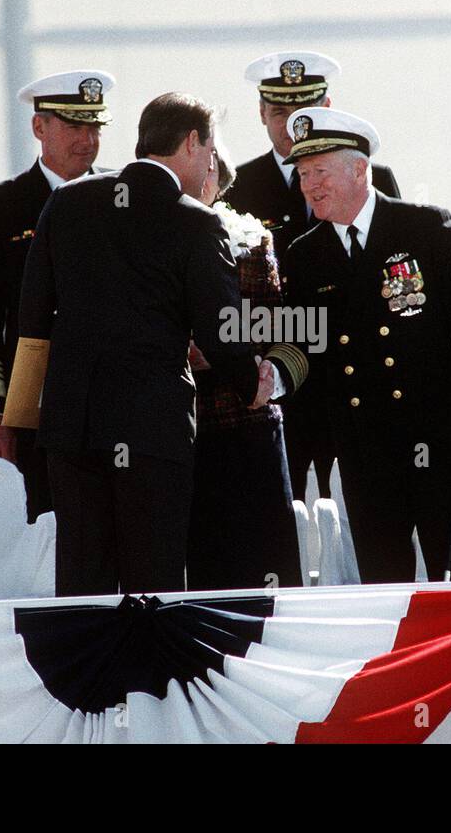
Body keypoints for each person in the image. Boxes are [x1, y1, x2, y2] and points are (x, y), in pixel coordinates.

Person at [17, 92, 274, 596]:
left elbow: (32, 321)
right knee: (151, 580)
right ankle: (150, 676)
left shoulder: (67, 202)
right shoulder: (196, 223)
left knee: (83, 581)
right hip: (150, 431)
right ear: (192, 142)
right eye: (210, 149)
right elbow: (222, 332)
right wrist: (252, 384)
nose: (212, 164)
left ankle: (85, 675)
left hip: (72, 429)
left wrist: (24, 416)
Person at [275, 107, 451, 583]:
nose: (309, 185)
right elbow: (301, 342)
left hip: (440, 438)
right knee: (385, 583)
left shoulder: (425, 227)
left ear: (359, 168)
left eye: (320, 171)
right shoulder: (305, 254)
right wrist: (275, 374)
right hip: (365, 448)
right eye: (302, 174)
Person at [224, 50, 402, 506]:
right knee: (285, 510)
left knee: (367, 507)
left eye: (302, 112)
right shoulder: (237, 187)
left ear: (325, 109)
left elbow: (391, 279)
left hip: (360, 374)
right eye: (278, 112)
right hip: (281, 376)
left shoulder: (373, 176)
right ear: (261, 112)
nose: (288, 126)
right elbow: (233, 298)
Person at [0, 69, 114, 521]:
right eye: (74, 126)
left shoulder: (120, 195)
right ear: (39, 128)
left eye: (95, 127)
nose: (87, 140)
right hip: (34, 410)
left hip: (112, 404)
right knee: (46, 535)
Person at [186, 151, 302, 591]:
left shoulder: (250, 239)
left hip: (245, 419)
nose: (203, 177)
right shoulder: (154, 231)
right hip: (180, 426)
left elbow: (279, 322)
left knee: (261, 564)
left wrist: (219, 350)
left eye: (212, 169)